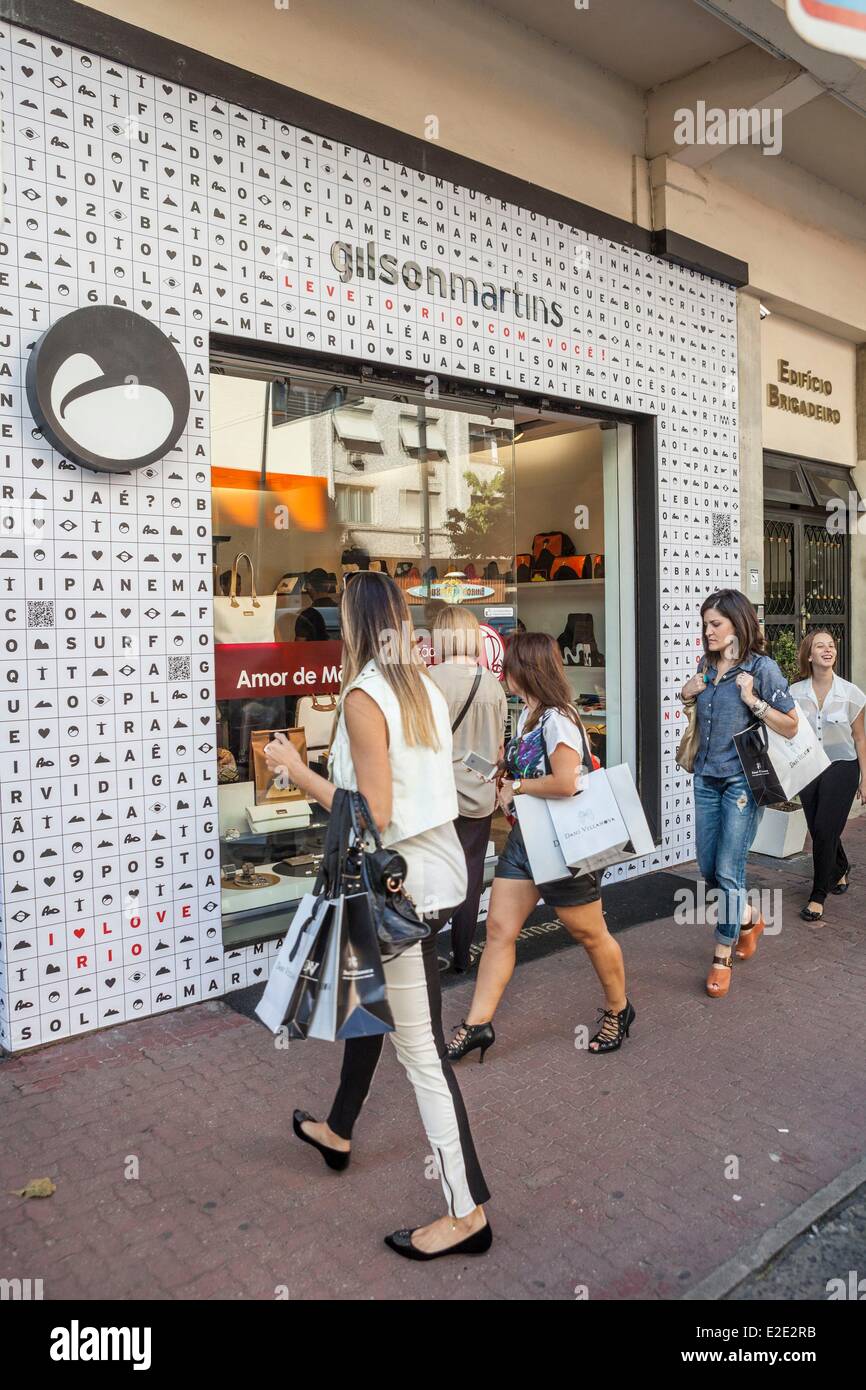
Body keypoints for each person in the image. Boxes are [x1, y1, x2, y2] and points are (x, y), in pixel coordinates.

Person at [263, 571, 491, 1261]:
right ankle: (338, 1129)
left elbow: (374, 814)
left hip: (396, 894)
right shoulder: (419, 687)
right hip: (430, 879)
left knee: (422, 1057)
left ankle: (466, 1212)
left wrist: (294, 767)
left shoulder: (366, 696)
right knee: (374, 1007)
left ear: (351, 623)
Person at [446, 631, 634, 1061]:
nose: (502, 673)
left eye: (508, 666)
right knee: (499, 930)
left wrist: (517, 786)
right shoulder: (531, 716)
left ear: (525, 670)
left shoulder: (558, 719)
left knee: (589, 933)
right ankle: (477, 1024)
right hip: (526, 842)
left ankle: (618, 1009)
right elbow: (532, 773)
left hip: (563, 844)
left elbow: (567, 783)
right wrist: (502, 772)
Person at [680, 589, 798, 998]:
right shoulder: (706, 666)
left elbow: (791, 725)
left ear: (737, 623)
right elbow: (698, 711)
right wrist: (687, 692)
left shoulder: (761, 669)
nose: (708, 632)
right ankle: (748, 918)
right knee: (709, 869)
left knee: (729, 872)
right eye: (705, 625)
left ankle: (722, 955)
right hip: (705, 778)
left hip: (741, 783)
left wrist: (753, 700)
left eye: (715, 624)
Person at [428, 607, 508, 972]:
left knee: (434, 872)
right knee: (472, 874)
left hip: (439, 794)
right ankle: (463, 954)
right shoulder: (492, 684)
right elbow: (498, 749)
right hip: (479, 792)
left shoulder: (429, 680)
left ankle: (423, 948)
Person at [789, 630, 866, 922]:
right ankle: (840, 866)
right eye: (820, 646)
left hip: (842, 767)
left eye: (831, 645)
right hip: (808, 767)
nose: (827, 649)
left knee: (823, 828)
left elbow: (859, 738)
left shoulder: (851, 694)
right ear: (809, 655)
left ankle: (817, 895)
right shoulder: (794, 693)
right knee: (822, 828)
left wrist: (865, 778)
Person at [295, 568, 339, 641]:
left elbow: (300, 645)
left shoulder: (305, 616)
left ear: (308, 586)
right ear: (328, 586)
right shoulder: (342, 611)